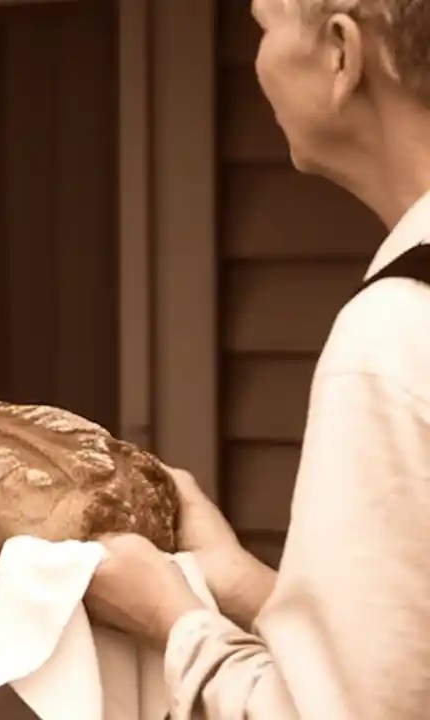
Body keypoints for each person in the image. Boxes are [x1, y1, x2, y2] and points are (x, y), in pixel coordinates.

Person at [84, 0, 430, 717]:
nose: (258, 64)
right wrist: (244, 585)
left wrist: (170, 620)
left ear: (342, 54)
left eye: (262, 26)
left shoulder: (395, 335)